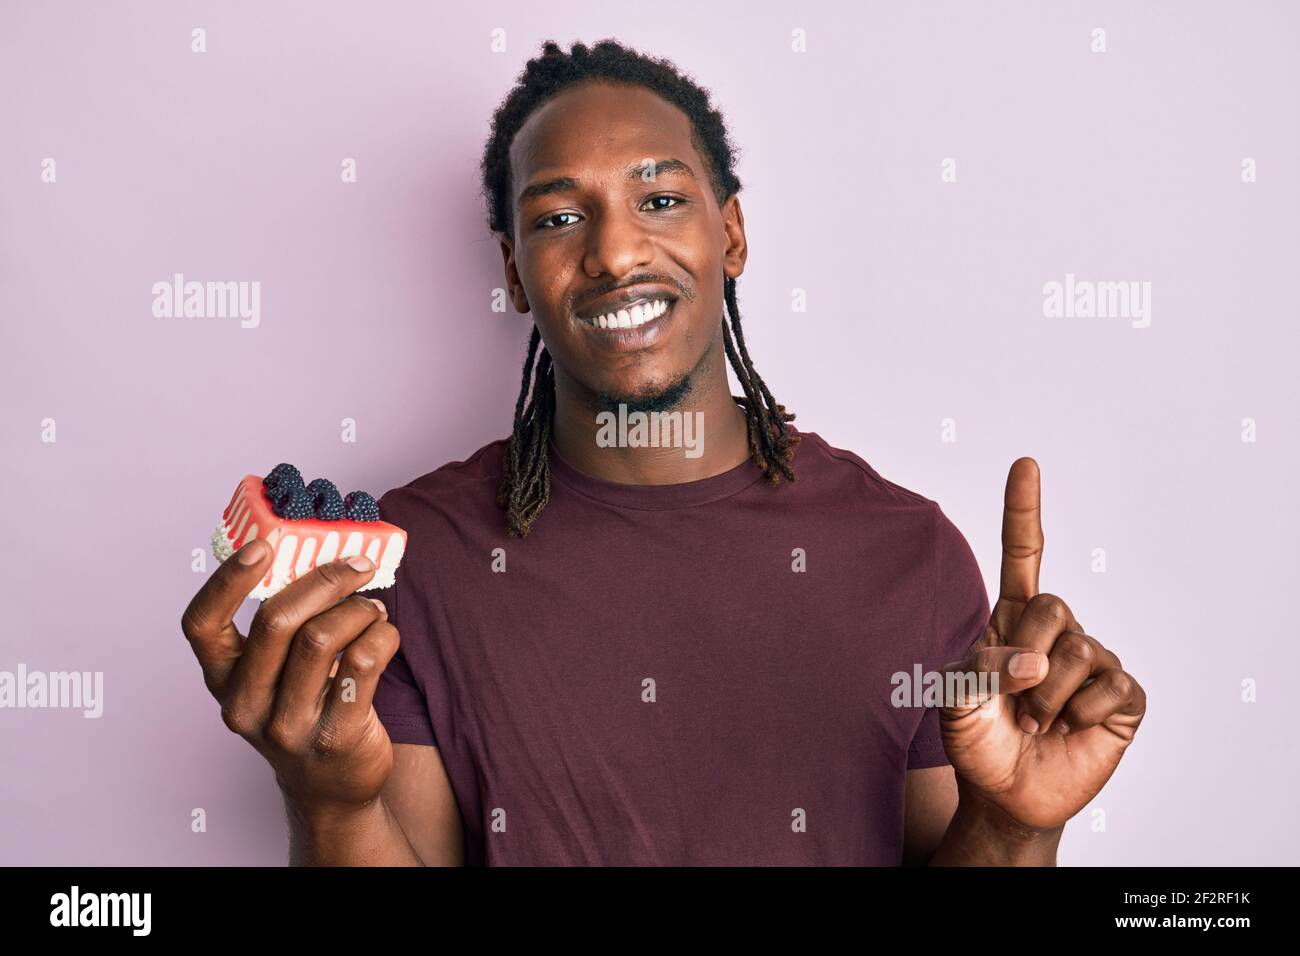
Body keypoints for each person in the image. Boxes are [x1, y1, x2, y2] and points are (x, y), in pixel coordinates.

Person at [180, 39, 1146, 866]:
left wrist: (1014, 828)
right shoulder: (410, 560)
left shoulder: (912, 555)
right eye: (559, 218)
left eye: (659, 200)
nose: (613, 253)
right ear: (514, 273)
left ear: (730, 233)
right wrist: (332, 806)